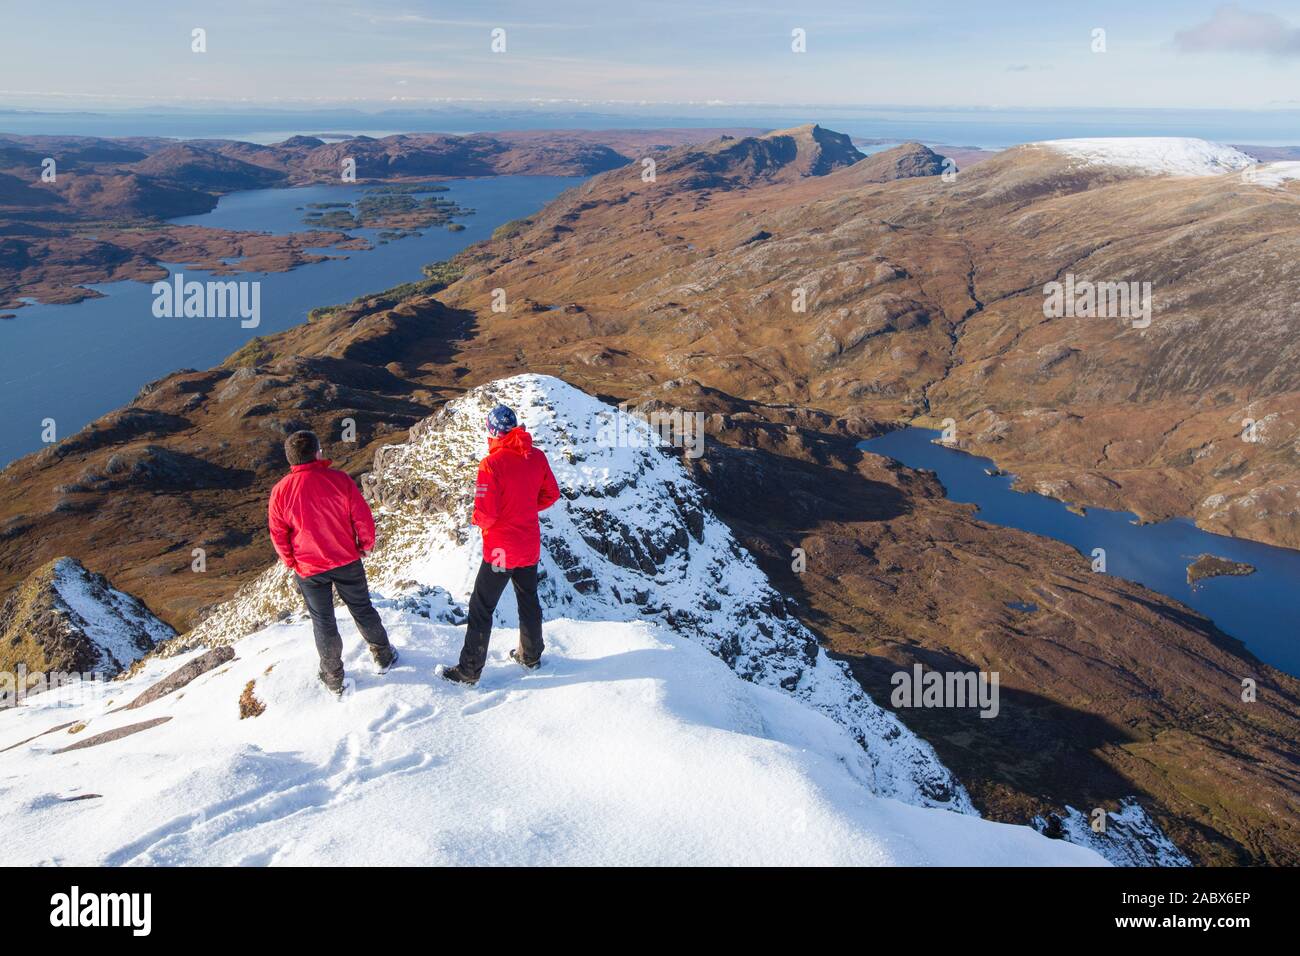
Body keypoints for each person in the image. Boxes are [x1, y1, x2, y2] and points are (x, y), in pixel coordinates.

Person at [268, 430, 398, 696]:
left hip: (309, 569)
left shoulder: (280, 492)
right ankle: (383, 655)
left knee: (323, 621)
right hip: (346, 559)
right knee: (362, 609)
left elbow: (278, 534)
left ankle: (333, 676)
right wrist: (365, 545)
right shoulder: (339, 480)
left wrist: (291, 562)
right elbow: (361, 517)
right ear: (317, 453)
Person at [443, 405, 561, 686]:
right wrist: (525, 508)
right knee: (528, 599)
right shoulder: (537, 457)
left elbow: (487, 513)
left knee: (482, 606)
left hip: (500, 551)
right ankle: (531, 656)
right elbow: (551, 494)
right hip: (528, 545)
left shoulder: (491, 464)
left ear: (493, 430)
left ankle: (469, 670)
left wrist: (477, 520)